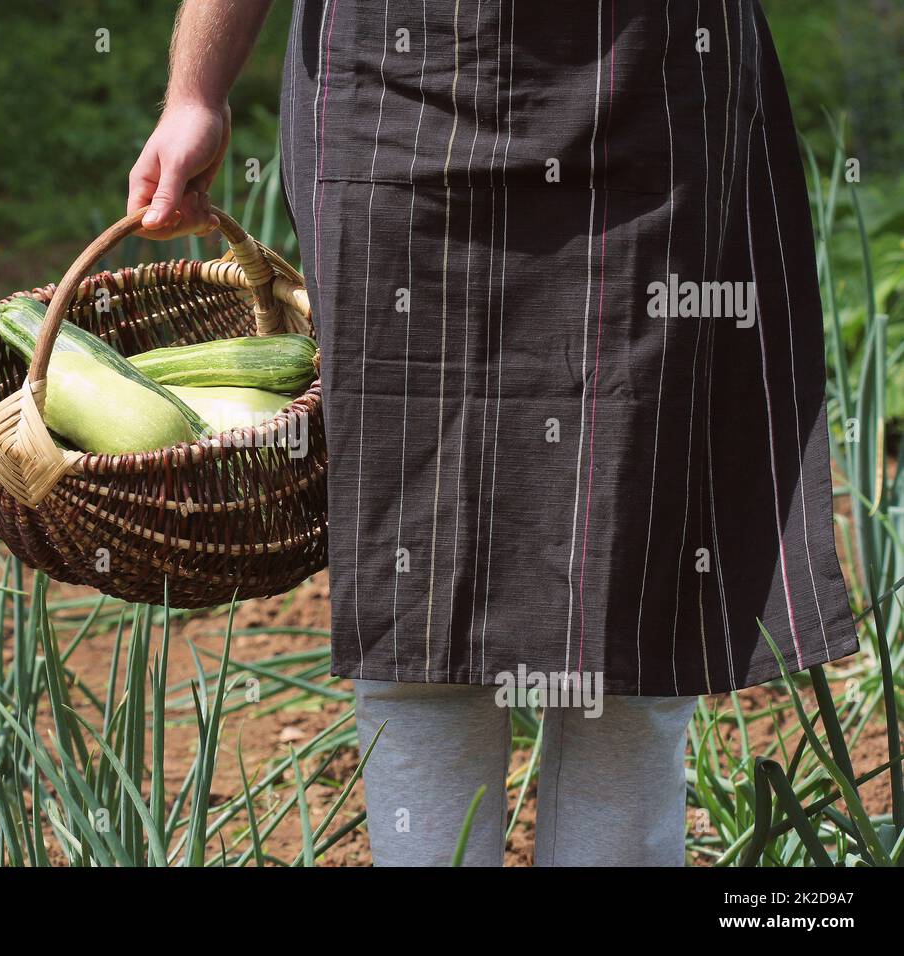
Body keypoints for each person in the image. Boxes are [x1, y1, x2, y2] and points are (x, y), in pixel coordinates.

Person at [127, 0, 860, 866]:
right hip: (400, 91)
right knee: (418, 573)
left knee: (627, 572)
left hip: (648, 91)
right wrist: (194, 93)